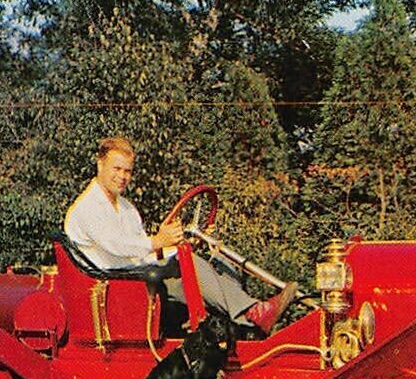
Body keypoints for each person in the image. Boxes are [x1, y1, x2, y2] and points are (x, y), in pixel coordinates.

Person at [64, 137, 297, 333]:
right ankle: (251, 313)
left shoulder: (125, 208)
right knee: (190, 264)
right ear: (100, 165)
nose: (123, 176)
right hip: (114, 287)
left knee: (216, 262)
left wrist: (176, 246)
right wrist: (158, 242)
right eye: (117, 169)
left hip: (134, 277)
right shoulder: (88, 207)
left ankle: (247, 322)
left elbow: (142, 252)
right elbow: (117, 246)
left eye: (127, 171)